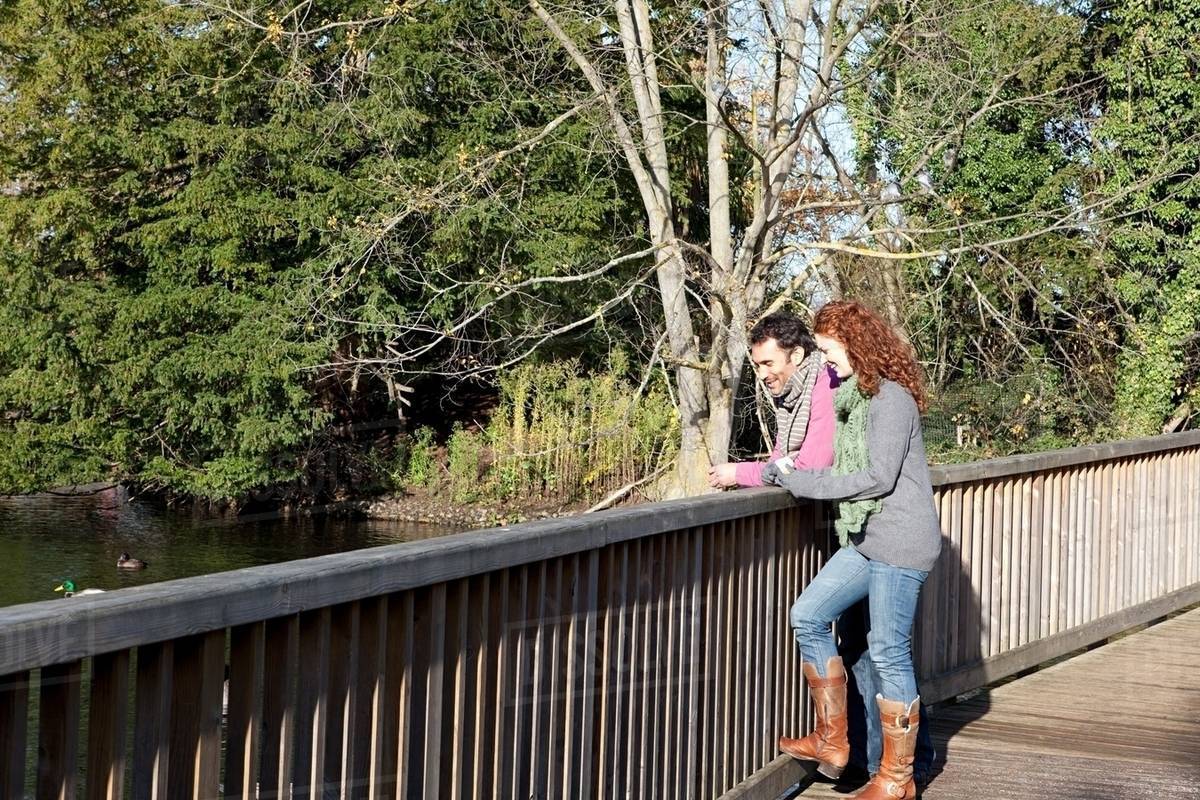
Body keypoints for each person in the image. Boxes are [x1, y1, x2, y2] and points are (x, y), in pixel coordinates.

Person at [763, 300, 943, 800]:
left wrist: (804, 483)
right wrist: (794, 471)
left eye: (827, 349)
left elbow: (877, 477)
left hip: (901, 542)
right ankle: (833, 741)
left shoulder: (890, 399)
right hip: (868, 539)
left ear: (853, 343)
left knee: (888, 652)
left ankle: (897, 781)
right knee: (808, 615)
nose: (824, 360)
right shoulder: (856, 398)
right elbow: (838, 460)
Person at [707, 312, 836, 490]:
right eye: (758, 365)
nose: (761, 374)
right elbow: (778, 461)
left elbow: (811, 470)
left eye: (768, 363)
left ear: (797, 355)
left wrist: (740, 473)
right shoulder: (790, 394)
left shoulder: (828, 384)